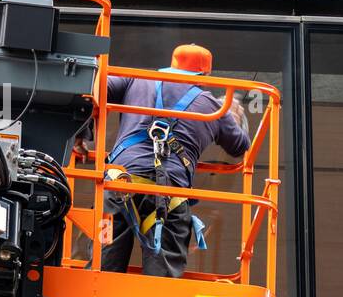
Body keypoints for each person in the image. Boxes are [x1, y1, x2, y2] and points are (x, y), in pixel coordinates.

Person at [100, 43, 249, 278]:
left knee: (102, 262)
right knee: (162, 282)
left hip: (118, 185)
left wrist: (82, 134)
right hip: (169, 196)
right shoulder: (213, 107)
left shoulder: (136, 80)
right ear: (204, 76)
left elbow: (94, 92)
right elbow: (240, 146)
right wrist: (232, 115)